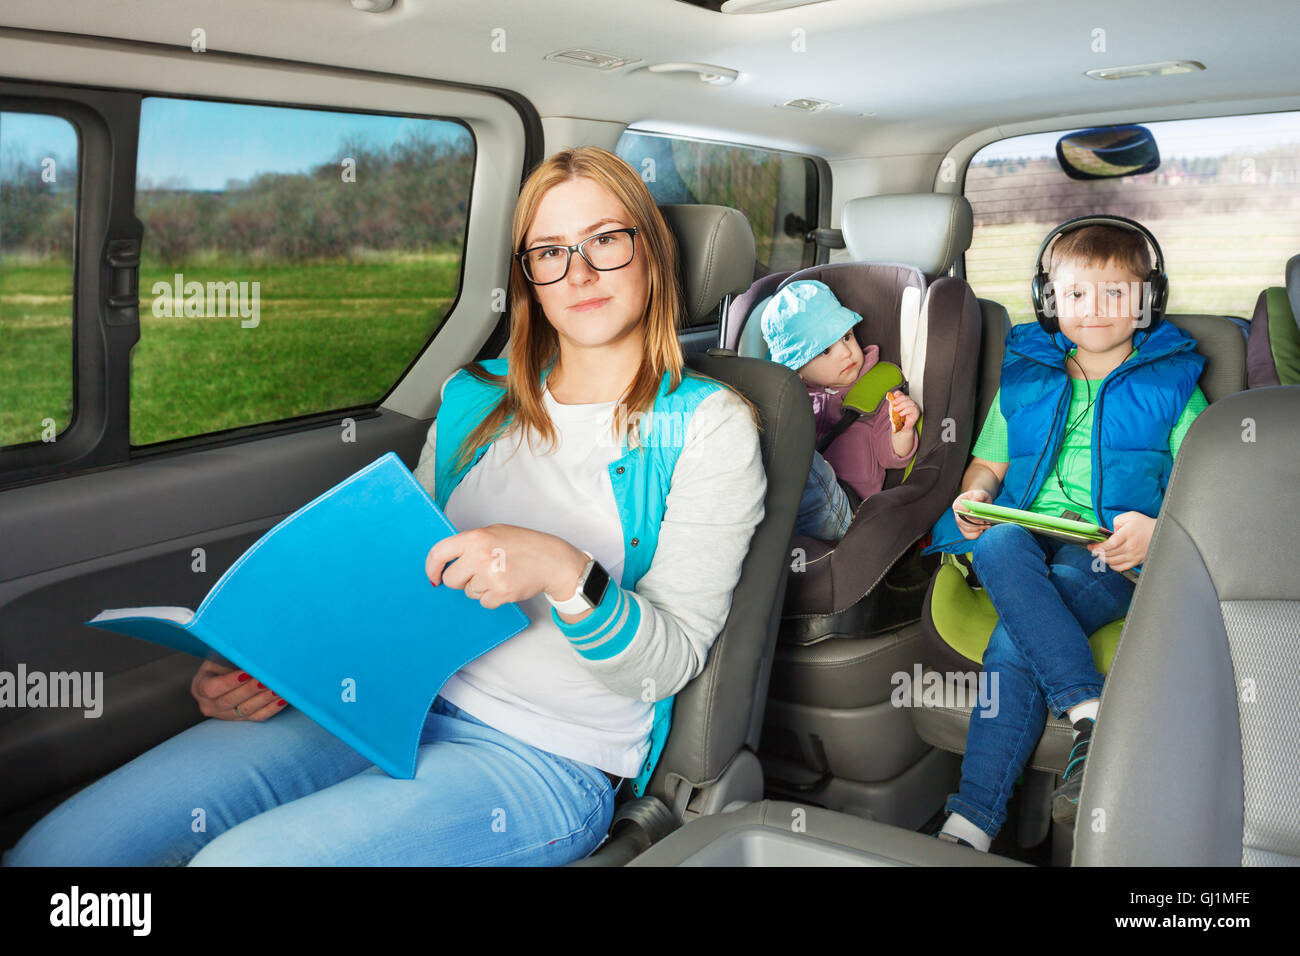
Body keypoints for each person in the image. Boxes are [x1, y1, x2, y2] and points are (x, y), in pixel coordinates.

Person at [2, 146, 767, 867]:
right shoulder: (475, 401)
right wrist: (281, 669)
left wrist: (565, 571)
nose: (579, 272)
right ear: (529, 275)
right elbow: (405, 582)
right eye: (550, 252)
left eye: (606, 240)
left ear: (651, 251)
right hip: (379, 701)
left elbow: (663, 668)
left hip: (543, 759)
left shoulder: (708, 425)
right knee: (63, 851)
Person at [921, 216, 1207, 851]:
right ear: (1050, 301)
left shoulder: (1172, 386)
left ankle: (969, 822)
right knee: (994, 540)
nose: (1094, 309)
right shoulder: (1025, 378)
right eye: (1076, 294)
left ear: (1148, 303)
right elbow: (989, 464)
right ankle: (1092, 711)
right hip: (1022, 540)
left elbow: (1205, 483)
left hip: (1108, 553)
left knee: (1013, 642)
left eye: (1116, 294)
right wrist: (977, 497)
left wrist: (1157, 530)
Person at [760, 279, 918, 541]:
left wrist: (901, 429)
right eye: (825, 350)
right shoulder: (792, 399)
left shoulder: (875, 391)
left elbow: (893, 455)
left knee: (798, 456)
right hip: (788, 508)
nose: (846, 352)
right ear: (797, 369)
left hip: (848, 511)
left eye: (847, 336)